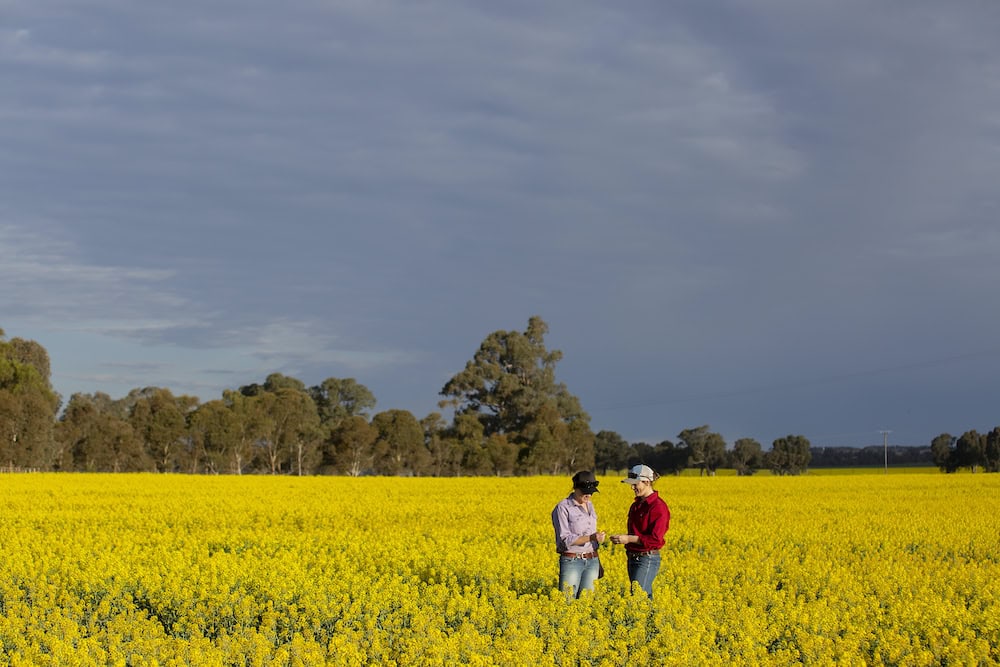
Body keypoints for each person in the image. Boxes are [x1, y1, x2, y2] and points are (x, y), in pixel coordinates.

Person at [609, 464, 670, 599]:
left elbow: (655, 539)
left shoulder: (658, 507)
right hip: (633, 556)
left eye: (635, 484)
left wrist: (628, 539)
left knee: (638, 597)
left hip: (647, 558)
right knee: (641, 598)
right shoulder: (636, 505)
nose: (632, 487)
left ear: (647, 482)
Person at [551, 470, 606, 597]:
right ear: (575, 488)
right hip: (572, 560)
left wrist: (597, 556)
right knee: (567, 601)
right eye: (585, 492)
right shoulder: (563, 507)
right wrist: (591, 537)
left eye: (591, 492)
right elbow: (565, 539)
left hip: (592, 560)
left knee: (587, 601)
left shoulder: (590, 505)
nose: (588, 495)